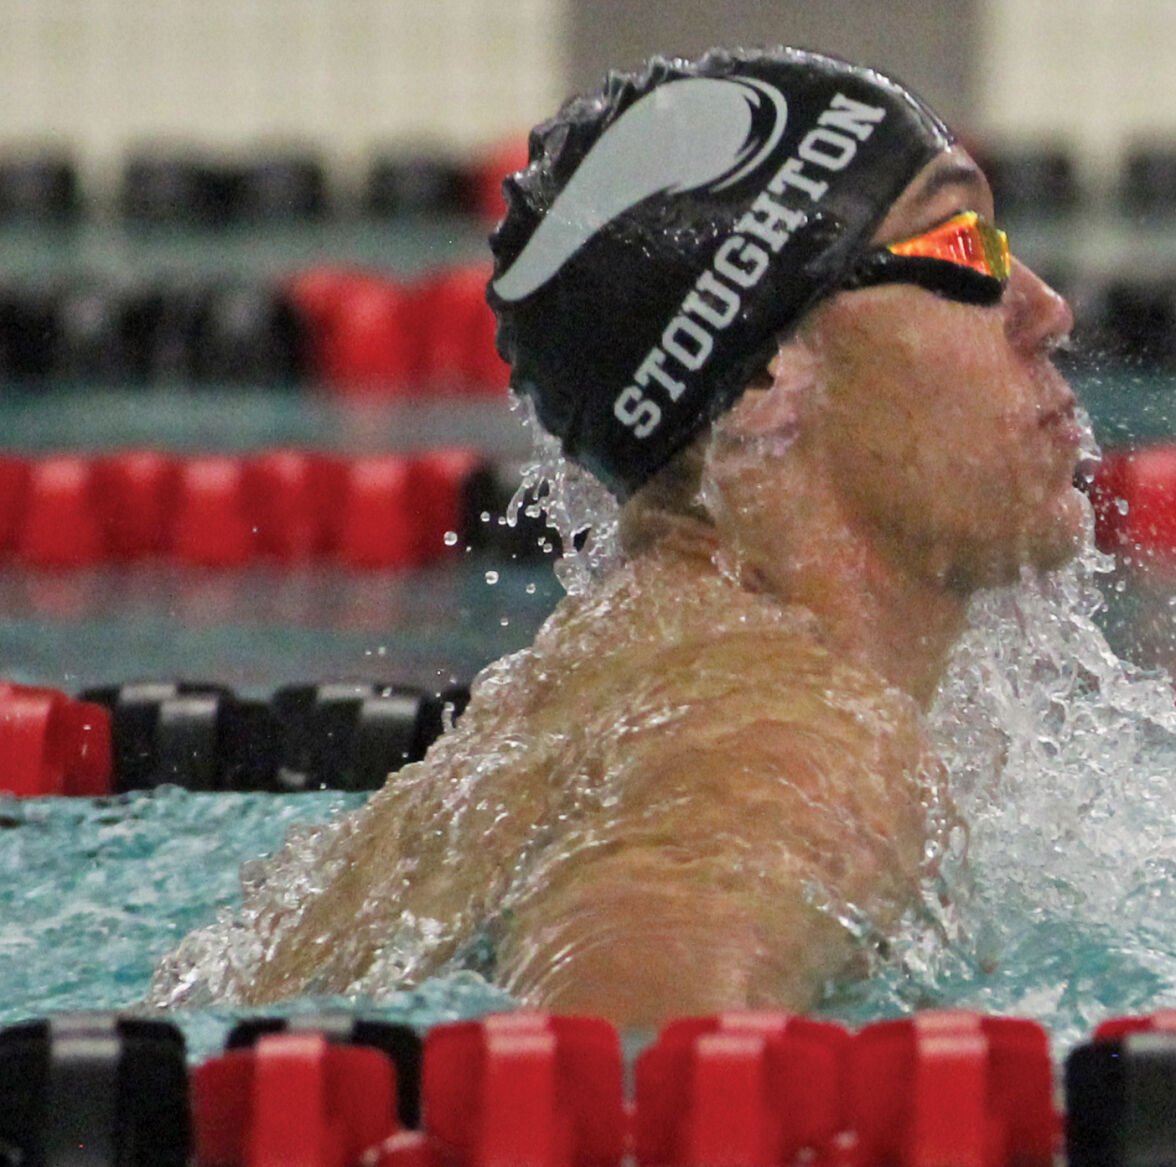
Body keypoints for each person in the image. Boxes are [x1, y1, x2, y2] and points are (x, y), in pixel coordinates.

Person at [150, 46, 1087, 1027]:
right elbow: (609, 1061)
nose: (1045, 309)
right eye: (962, 249)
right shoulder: (788, 747)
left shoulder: (603, 705)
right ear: (761, 378)